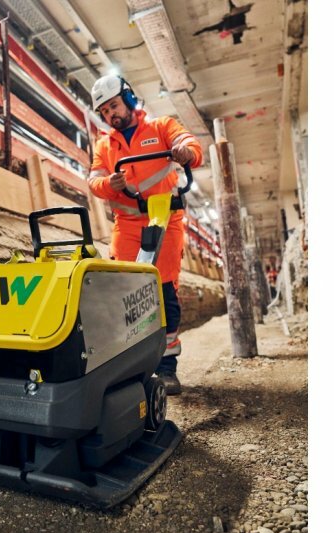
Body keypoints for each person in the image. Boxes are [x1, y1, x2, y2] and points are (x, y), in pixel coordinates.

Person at [87, 74, 203, 396]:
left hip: (164, 217)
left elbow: (191, 145)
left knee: (163, 290)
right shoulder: (104, 145)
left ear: (128, 99)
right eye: (105, 111)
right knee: (123, 290)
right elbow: (94, 181)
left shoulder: (161, 127)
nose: (111, 114)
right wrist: (108, 184)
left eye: (114, 106)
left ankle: (167, 368)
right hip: (126, 223)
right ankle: (132, 365)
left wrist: (185, 151)